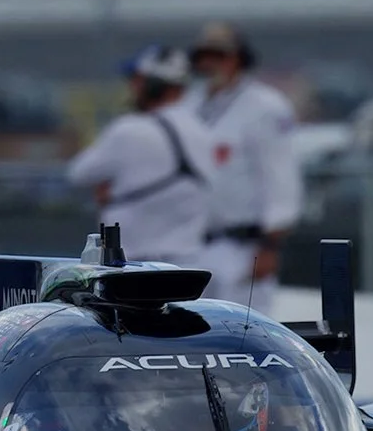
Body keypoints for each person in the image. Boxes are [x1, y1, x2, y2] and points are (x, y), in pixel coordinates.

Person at [65, 46, 215, 266]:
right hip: (191, 264)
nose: (132, 88)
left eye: (137, 80)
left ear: (154, 85)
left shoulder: (129, 129)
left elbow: (78, 173)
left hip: (136, 266)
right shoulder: (204, 130)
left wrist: (108, 187)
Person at [186, 21, 301, 306]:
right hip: (193, 245)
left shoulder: (265, 106)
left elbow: (281, 179)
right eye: (205, 55)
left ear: (239, 58)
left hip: (243, 245)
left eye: (220, 55)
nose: (212, 63)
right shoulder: (191, 103)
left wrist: (270, 245)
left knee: (243, 326)